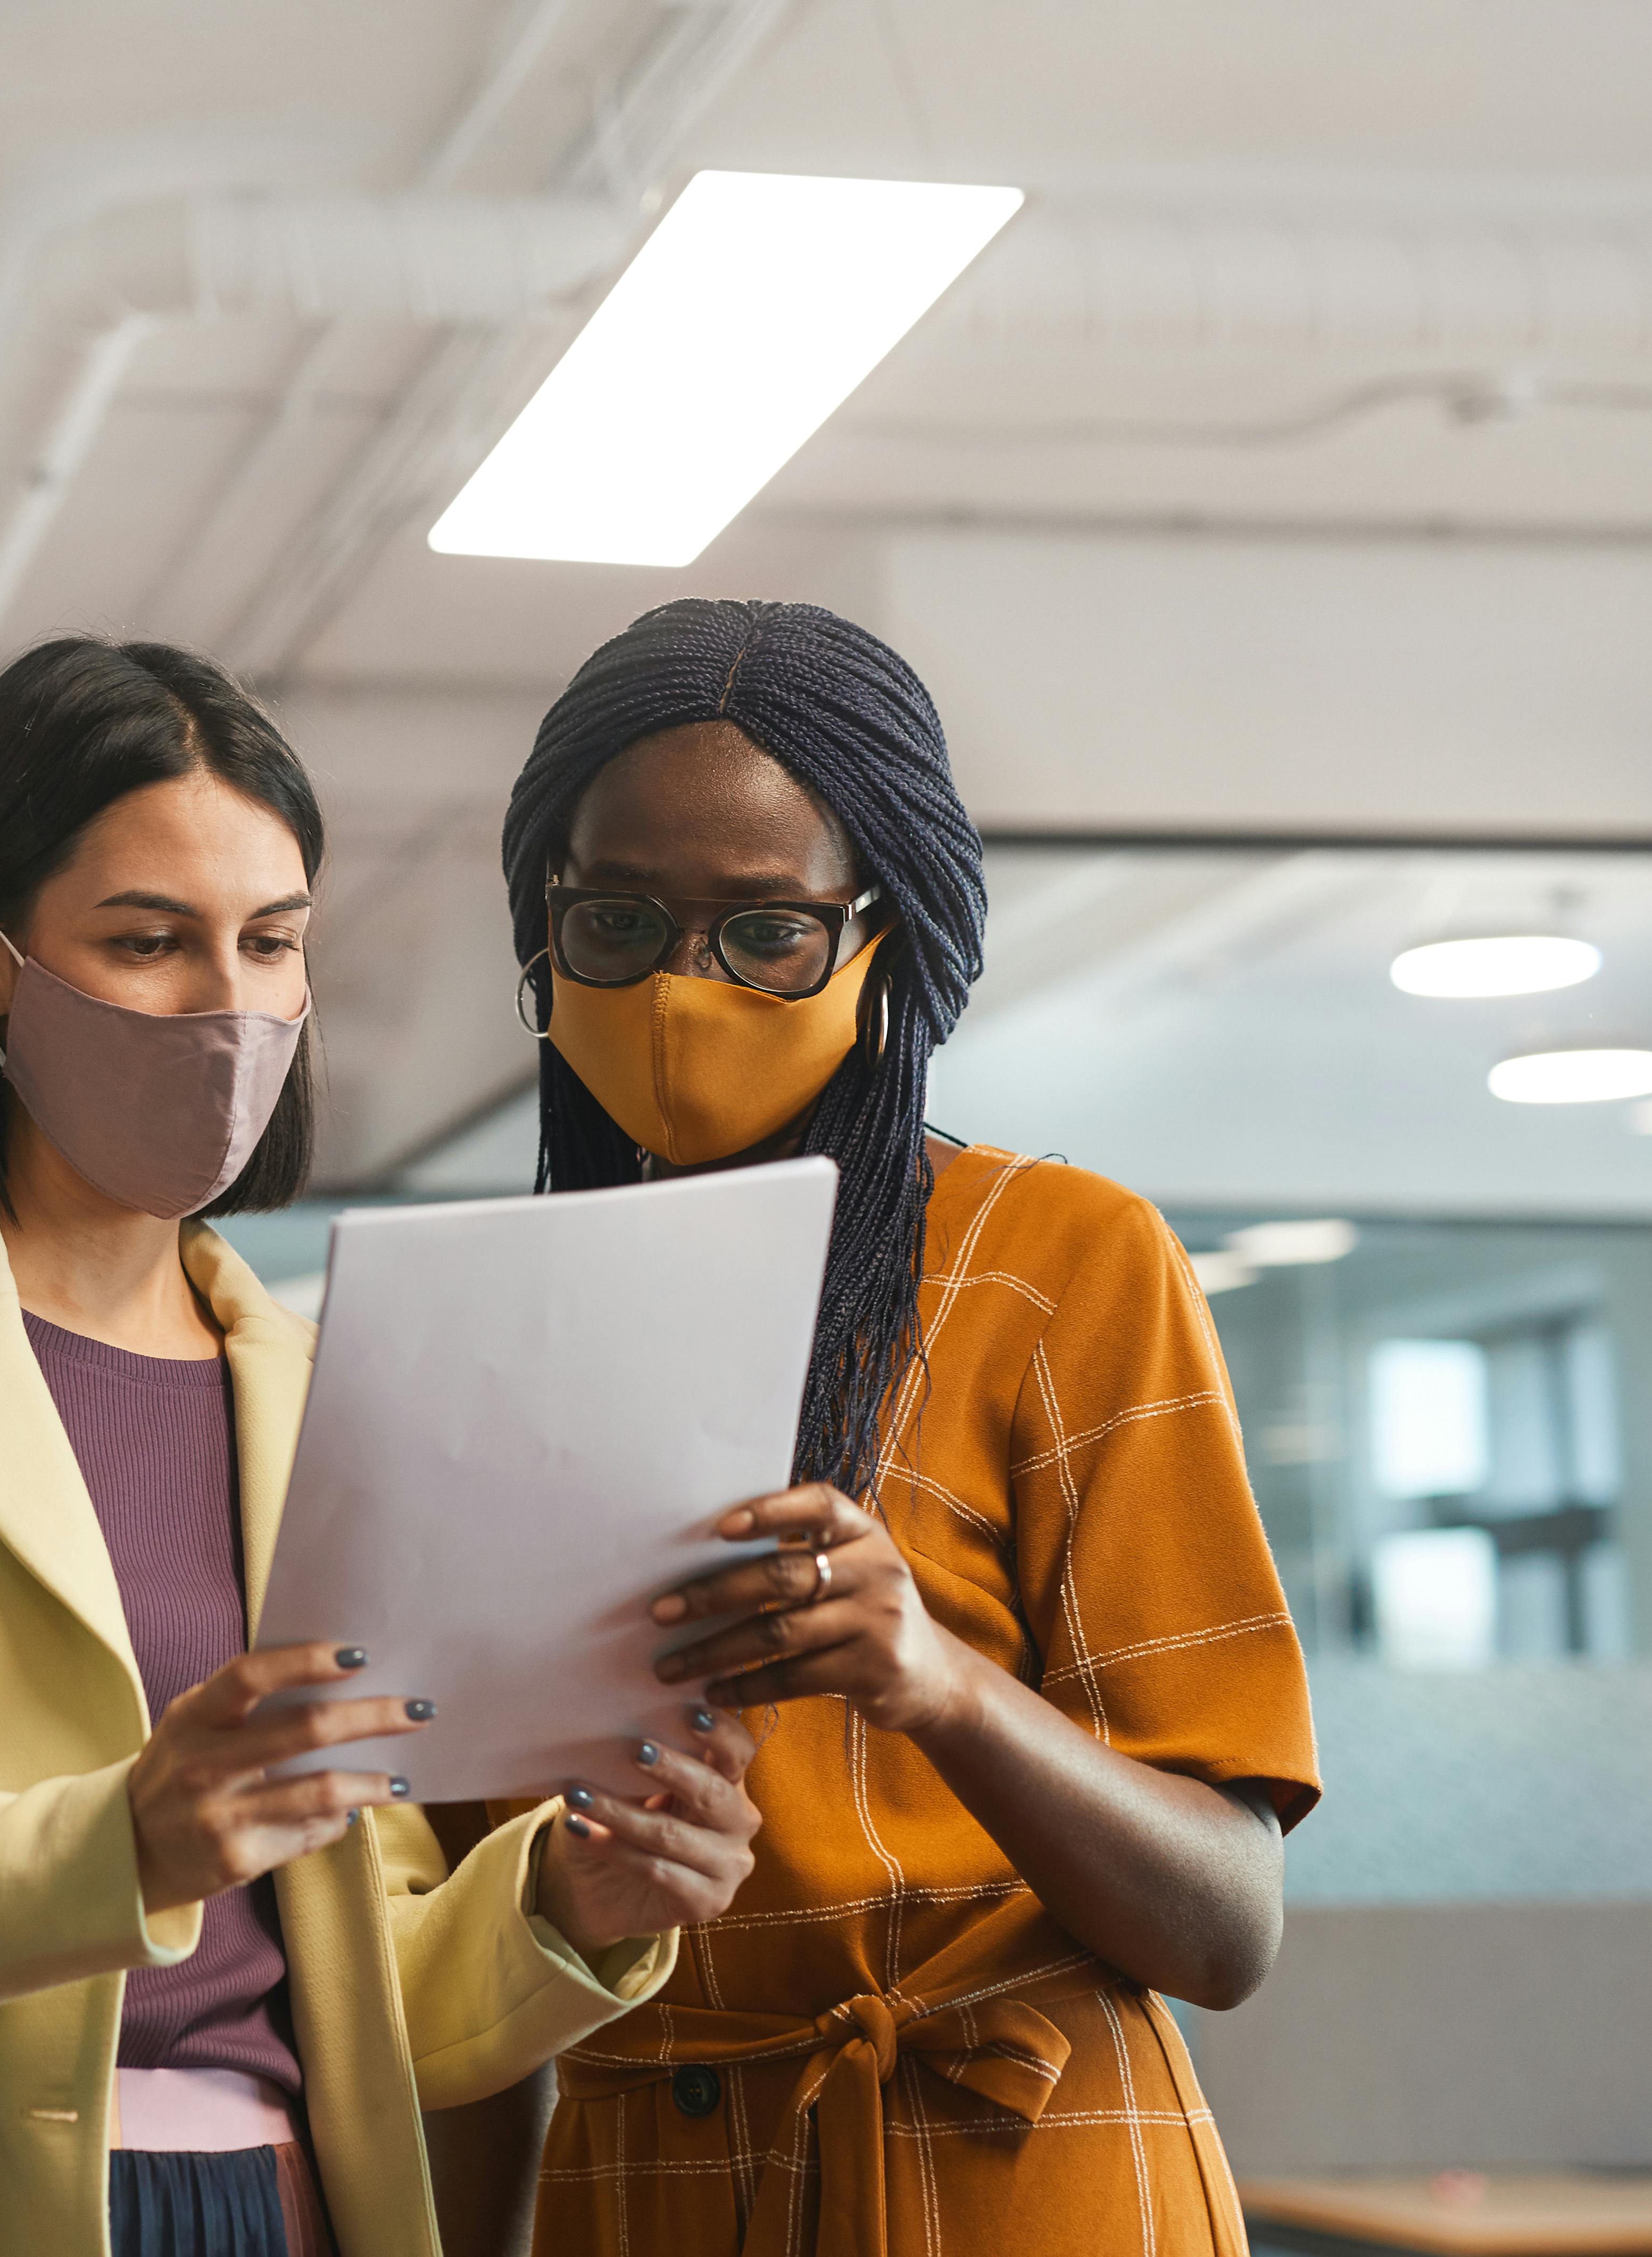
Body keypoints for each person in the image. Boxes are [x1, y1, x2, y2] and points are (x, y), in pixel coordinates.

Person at [0, 638, 766, 2257]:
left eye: (270, 943)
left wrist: (572, 1903)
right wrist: (115, 1841)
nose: (228, 1006)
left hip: (261, 2209)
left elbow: (363, 1983)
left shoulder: (319, 1382)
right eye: (146, 941)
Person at [490, 599, 1323, 2257]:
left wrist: (937, 1680)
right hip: (634, 2182)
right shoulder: (492, 1329)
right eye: (619, 919)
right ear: (543, 923)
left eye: (765, 931)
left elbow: (1226, 1923)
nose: (680, 985)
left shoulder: (1060, 1261)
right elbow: (445, 1977)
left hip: (1016, 2168)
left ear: (884, 932)